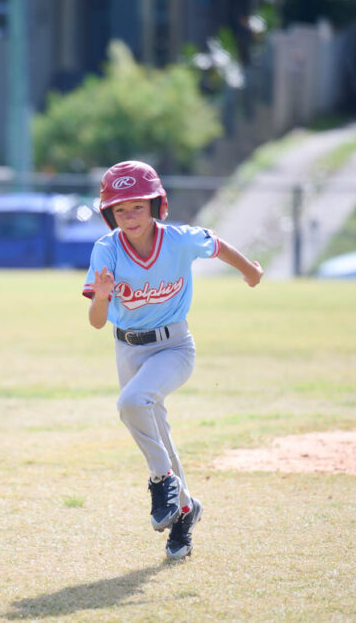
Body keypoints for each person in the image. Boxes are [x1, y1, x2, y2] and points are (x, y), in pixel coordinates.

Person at [83, 160, 264, 560]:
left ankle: (160, 481)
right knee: (156, 431)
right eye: (119, 209)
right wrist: (101, 296)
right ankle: (185, 512)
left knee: (132, 403)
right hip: (127, 348)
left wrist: (250, 271)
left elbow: (217, 245)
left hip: (174, 347)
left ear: (156, 205)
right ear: (108, 215)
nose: (129, 216)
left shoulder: (178, 239)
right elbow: (97, 322)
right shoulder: (106, 250)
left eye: (137, 206)